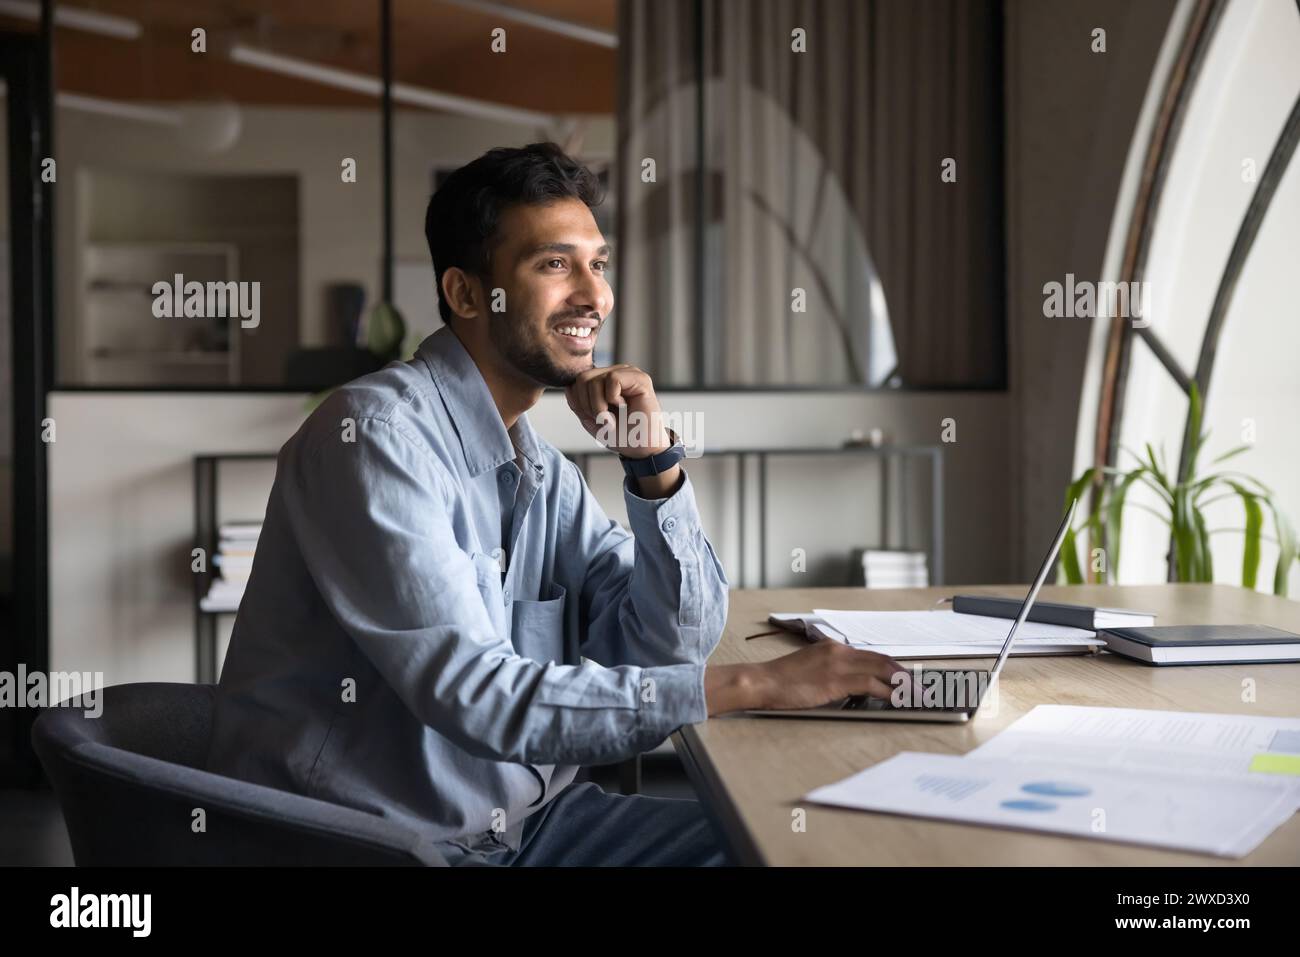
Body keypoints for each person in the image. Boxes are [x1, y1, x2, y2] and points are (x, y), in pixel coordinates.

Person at [207, 142, 908, 866]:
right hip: (374, 843)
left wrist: (651, 459)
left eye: (597, 264)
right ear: (468, 293)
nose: (594, 294)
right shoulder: (375, 439)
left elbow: (677, 638)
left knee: (797, 851)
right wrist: (759, 682)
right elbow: (478, 696)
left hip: (521, 826)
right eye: (554, 264)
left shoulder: (538, 467)